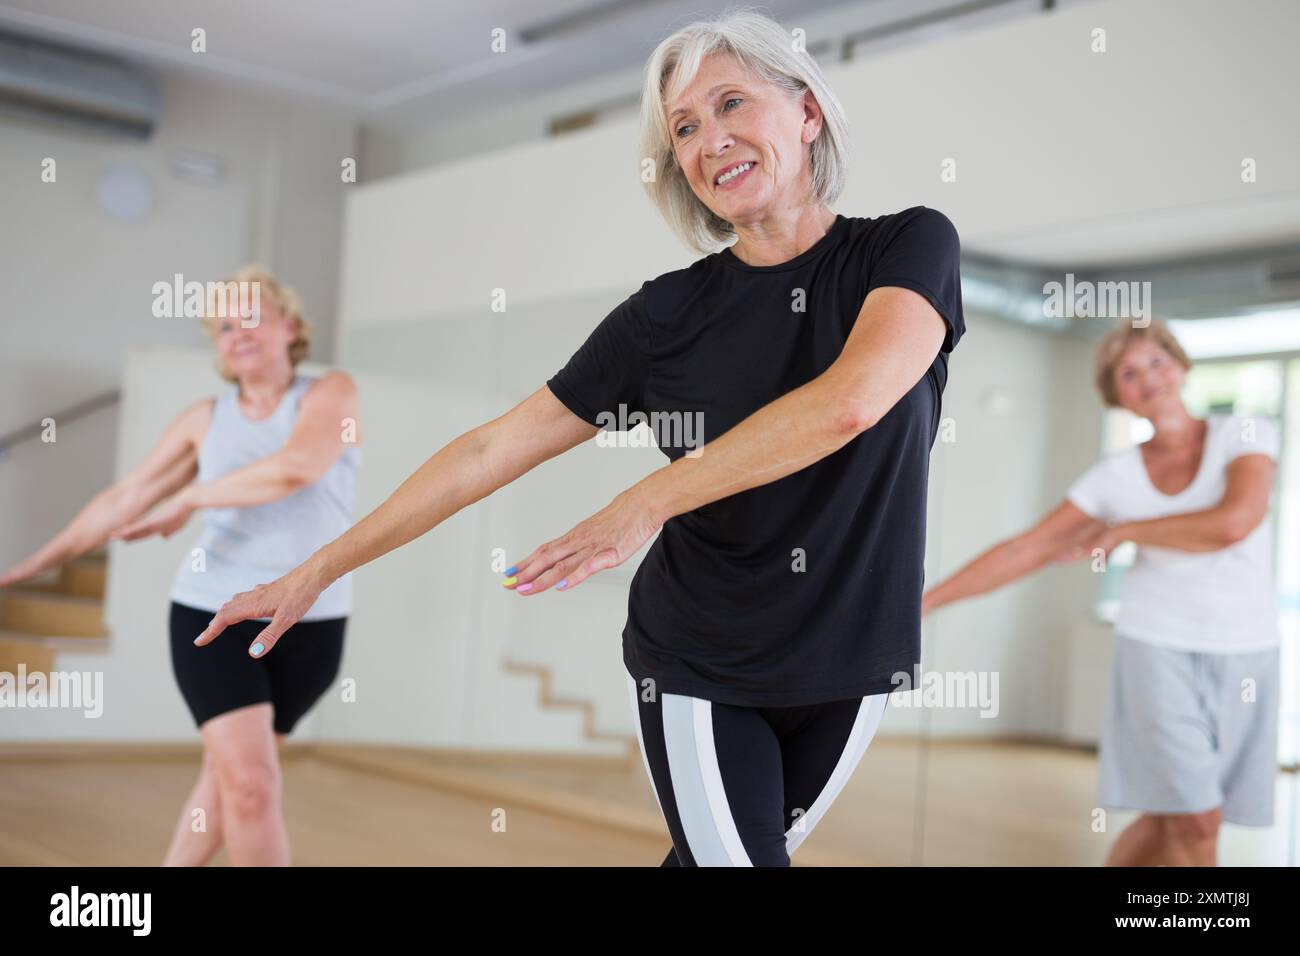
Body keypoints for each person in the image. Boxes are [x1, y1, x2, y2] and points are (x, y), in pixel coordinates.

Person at [196, 11, 964, 867]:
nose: (711, 139)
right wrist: (316, 568)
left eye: (732, 103)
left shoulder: (908, 247)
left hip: (852, 663)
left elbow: (849, 403)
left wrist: (642, 502)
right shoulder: (662, 318)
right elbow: (490, 450)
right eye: (684, 126)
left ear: (807, 111)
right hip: (702, 660)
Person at [0, 266, 362, 866]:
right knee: (251, 784)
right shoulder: (205, 419)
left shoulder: (331, 394)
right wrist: (35, 562)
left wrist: (193, 496)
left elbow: (296, 466)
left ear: (290, 326)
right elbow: (125, 497)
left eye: (251, 316)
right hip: (212, 613)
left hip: (311, 620)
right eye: (223, 326)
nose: (237, 333)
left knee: (228, 781)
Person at [923, 319, 1281, 866]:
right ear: (1117, 395)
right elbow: (1027, 548)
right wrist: (923, 604)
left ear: (1182, 367)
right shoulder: (1116, 477)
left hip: (1248, 650)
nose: (1148, 379)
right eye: (1129, 373)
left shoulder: (1245, 435)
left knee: (1172, 814)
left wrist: (1126, 530)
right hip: (1157, 647)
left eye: (1157, 362)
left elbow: (1234, 523)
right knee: (1197, 817)